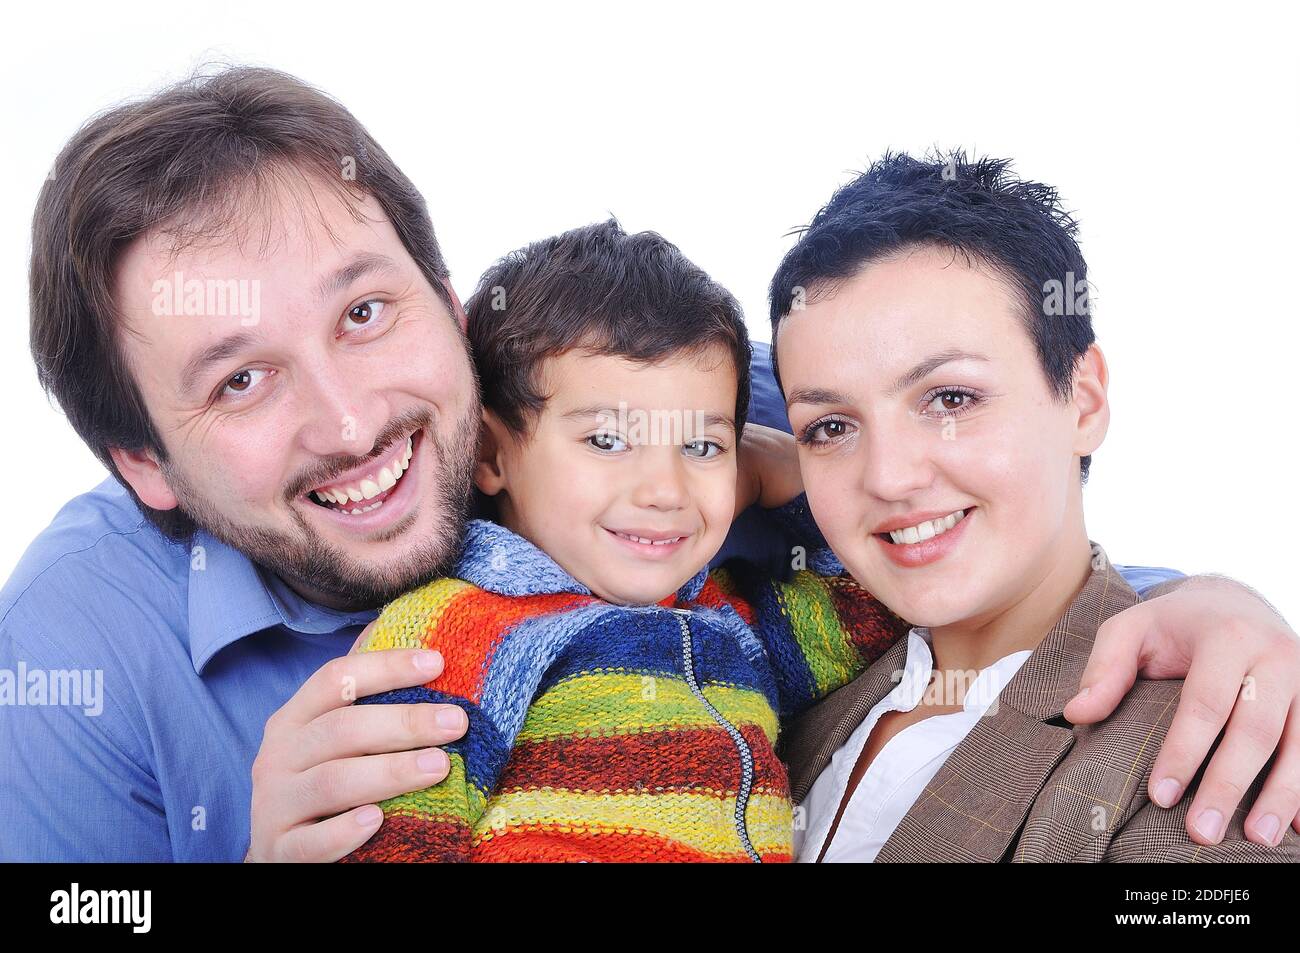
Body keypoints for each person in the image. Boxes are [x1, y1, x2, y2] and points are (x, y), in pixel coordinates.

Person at [1, 67, 1296, 862]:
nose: (351, 422)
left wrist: (1214, 609)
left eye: (362, 312)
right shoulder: (80, 639)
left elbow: (959, 506)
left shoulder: (625, 384)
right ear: (143, 464)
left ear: (447, 302)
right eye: (239, 379)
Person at [770, 152, 1299, 860]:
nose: (889, 478)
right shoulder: (791, 699)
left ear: (1084, 398)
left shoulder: (1203, 751)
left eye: (951, 398)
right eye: (830, 427)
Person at [343, 220, 909, 862]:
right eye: (607, 441)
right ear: (490, 452)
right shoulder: (454, 630)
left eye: (701, 446)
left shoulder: (732, 623)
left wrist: (789, 481)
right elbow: (391, 841)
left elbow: (883, 597)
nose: (664, 490)